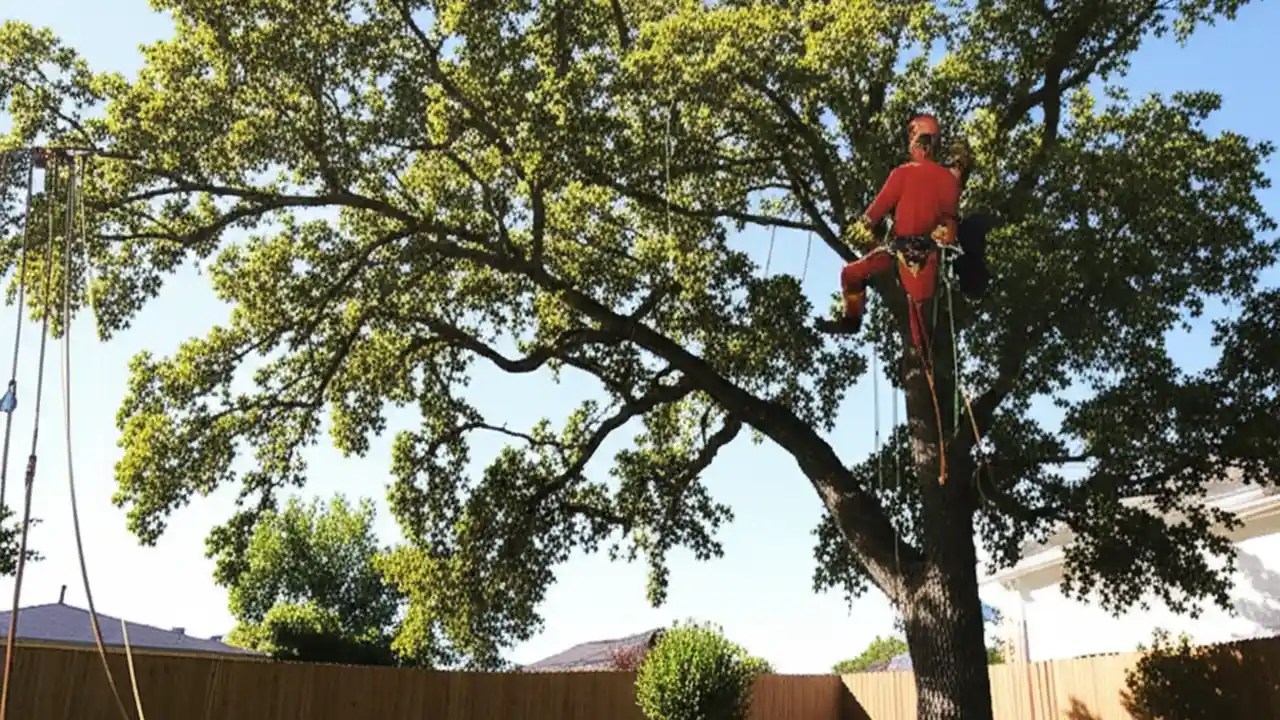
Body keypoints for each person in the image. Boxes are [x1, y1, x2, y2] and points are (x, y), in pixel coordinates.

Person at [816, 114, 959, 350]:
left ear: (918, 142)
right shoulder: (949, 180)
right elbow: (950, 223)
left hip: (912, 252)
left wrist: (860, 227)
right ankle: (917, 343)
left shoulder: (903, 174)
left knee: (852, 275)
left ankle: (853, 321)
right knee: (858, 275)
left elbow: (875, 212)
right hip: (907, 250)